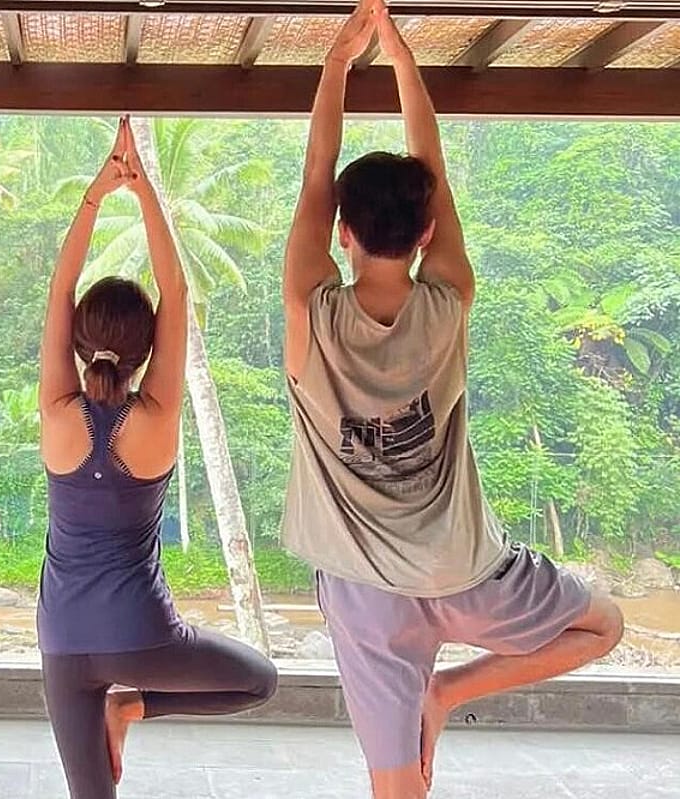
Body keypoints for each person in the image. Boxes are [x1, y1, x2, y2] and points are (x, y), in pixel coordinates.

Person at [281, 2, 625, 798]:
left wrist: (337, 65)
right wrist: (401, 56)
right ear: (428, 231)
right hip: (466, 573)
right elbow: (428, 160)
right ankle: (452, 691)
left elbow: (313, 177)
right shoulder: (448, 301)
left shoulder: (312, 314)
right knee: (601, 623)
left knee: (397, 791)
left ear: (343, 234)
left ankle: (433, 696)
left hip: (365, 594)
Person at [37, 117, 278, 799]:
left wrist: (96, 195)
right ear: (145, 351)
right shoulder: (156, 418)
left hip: (59, 636)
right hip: (142, 634)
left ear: (81, 345)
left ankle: (120, 705)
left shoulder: (58, 414)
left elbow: (59, 291)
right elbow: (178, 292)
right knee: (259, 679)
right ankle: (133, 705)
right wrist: (144, 193)